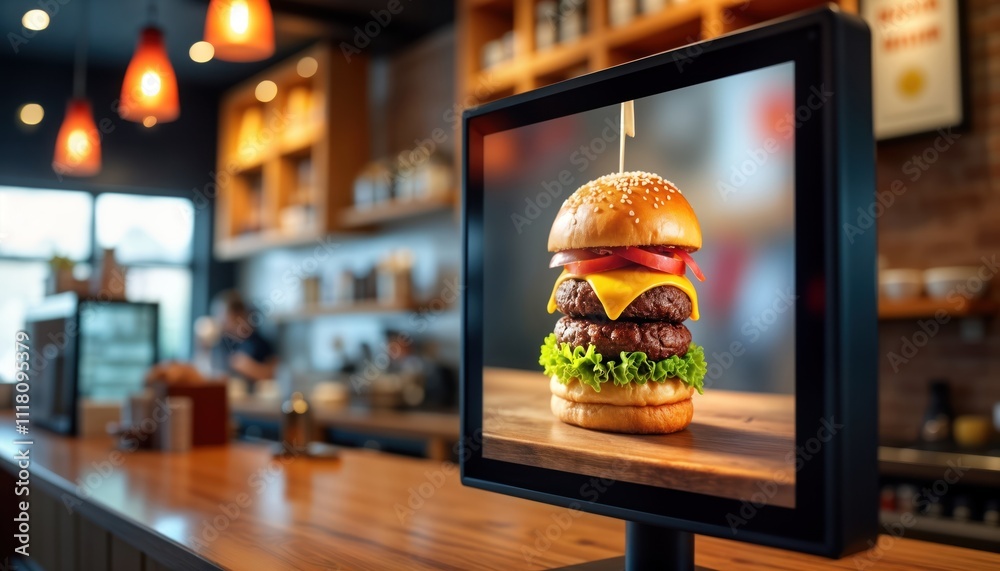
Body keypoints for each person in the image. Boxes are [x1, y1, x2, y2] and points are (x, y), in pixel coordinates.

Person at [211, 290, 277, 389]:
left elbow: (275, 373)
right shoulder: (220, 342)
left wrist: (250, 368)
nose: (218, 319)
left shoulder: (259, 343)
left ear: (239, 314)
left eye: (222, 314)